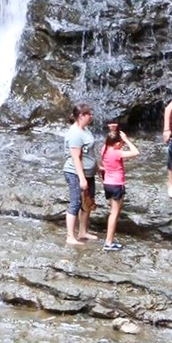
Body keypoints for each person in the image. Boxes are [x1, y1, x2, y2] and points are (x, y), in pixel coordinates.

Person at [63, 102, 98, 245]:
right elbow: (75, 157)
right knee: (75, 202)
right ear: (81, 116)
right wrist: (82, 178)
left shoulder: (85, 130)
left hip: (88, 173)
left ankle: (83, 231)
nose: (91, 116)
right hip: (75, 173)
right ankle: (70, 236)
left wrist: (97, 167)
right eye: (88, 114)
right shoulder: (75, 133)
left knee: (87, 202)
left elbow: (88, 153)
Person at [99, 126, 139, 251]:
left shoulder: (104, 149)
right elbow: (136, 152)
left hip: (107, 184)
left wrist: (113, 131)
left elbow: (109, 140)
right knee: (114, 214)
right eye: (120, 143)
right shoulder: (117, 153)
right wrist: (127, 140)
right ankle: (108, 242)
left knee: (113, 212)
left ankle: (109, 240)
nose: (122, 145)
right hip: (116, 185)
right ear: (116, 144)